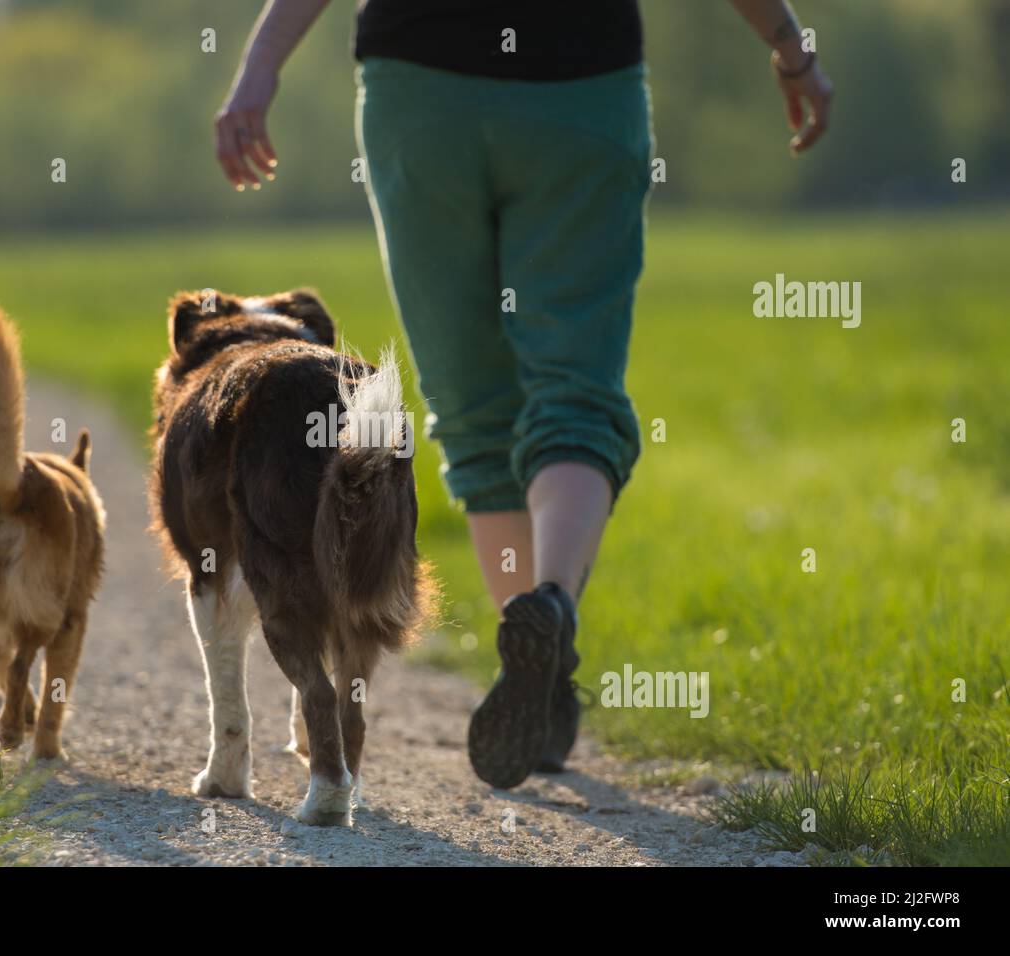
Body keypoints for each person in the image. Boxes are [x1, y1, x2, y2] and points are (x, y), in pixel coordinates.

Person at [215, 0, 833, 789]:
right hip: (581, 91)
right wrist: (790, 50)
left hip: (422, 95)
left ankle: (532, 662)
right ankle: (552, 608)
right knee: (576, 394)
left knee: (475, 411)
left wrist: (258, 73)